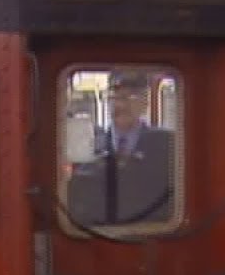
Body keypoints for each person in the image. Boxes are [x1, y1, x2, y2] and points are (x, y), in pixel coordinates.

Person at [66, 72, 176, 226]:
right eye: (114, 97)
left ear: (144, 103)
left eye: (128, 98)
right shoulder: (90, 143)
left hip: (152, 235)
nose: (120, 105)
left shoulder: (167, 143)